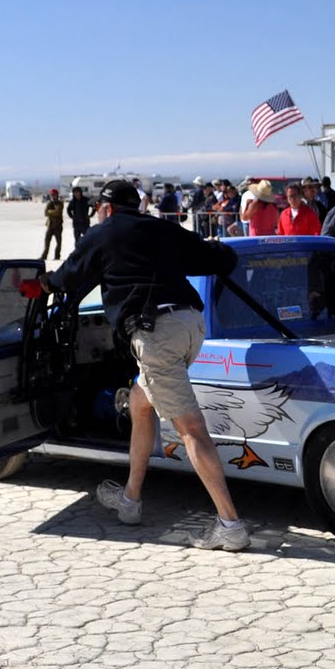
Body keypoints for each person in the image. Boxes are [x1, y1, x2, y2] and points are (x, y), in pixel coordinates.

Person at [41, 180, 248, 551]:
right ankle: (130, 500)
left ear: (105, 207)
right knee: (140, 403)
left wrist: (39, 285)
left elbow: (66, 278)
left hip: (155, 335)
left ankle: (230, 525)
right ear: (137, 205)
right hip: (190, 326)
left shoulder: (101, 235)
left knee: (192, 430)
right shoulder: (162, 228)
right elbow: (219, 260)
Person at [41, 188, 64, 259]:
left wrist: (50, 212)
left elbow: (57, 212)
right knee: (47, 241)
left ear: (57, 195)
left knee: (58, 243)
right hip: (50, 226)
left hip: (57, 226)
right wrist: (51, 212)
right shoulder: (49, 203)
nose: (53, 196)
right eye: (52, 195)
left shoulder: (60, 203)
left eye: (54, 195)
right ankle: (44, 256)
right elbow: (45, 213)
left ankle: (57, 256)